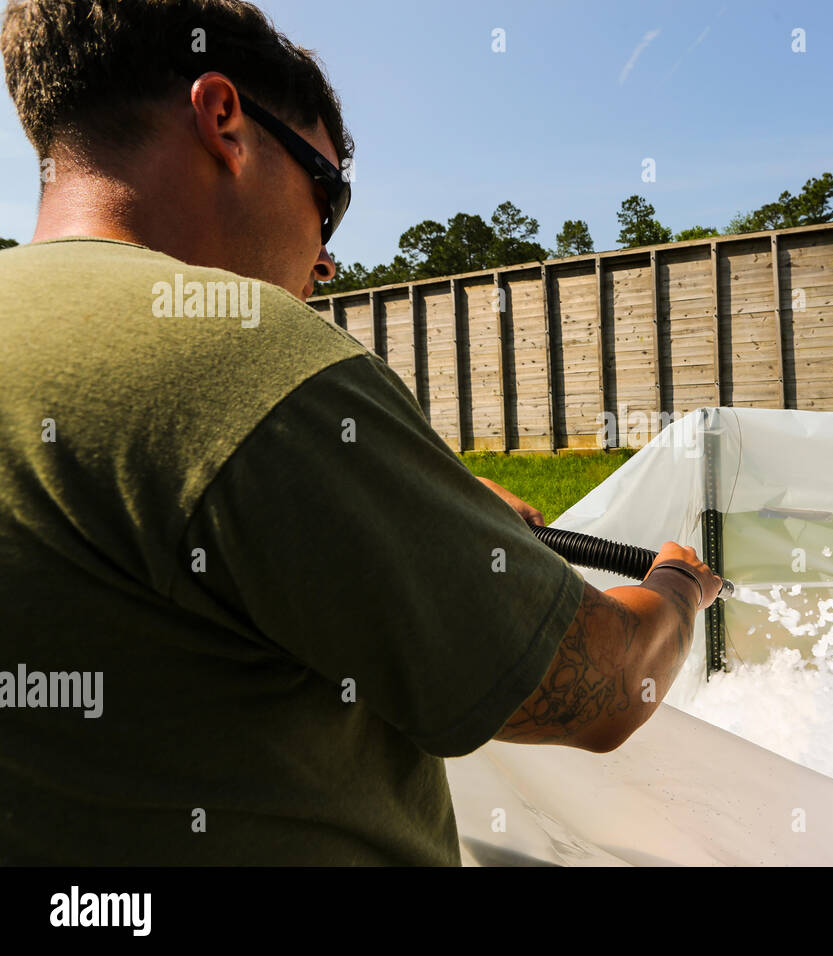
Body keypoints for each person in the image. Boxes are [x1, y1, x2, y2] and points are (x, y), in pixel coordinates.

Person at [0, 0, 721, 865]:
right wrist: (678, 588)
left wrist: (425, 515)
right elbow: (601, 688)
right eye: (328, 194)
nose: (325, 258)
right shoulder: (243, 350)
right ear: (224, 121)